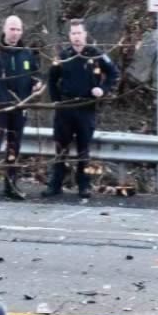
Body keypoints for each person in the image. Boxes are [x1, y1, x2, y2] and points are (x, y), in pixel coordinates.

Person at [43, 19, 120, 204]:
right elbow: (51, 79)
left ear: (85, 34)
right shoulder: (63, 56)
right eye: (73, 34)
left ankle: (83, 185)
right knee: (61, 149)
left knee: (83, 150)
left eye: (79, 33)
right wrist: (56, 101)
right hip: (65, 109)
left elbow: (113, 74)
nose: (76, 37)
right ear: (69, 36)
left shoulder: (96, 55)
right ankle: (55, 185)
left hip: (86, 109)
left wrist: (103, 89)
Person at [0, 16, 40, 202]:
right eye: (12, 29)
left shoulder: (26, 53)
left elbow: (35, 75)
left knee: (14, 148)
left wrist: (36, 84)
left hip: (19, 109)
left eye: (18, 30)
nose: (15, 33)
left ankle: (11, 186)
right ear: (4, 29)